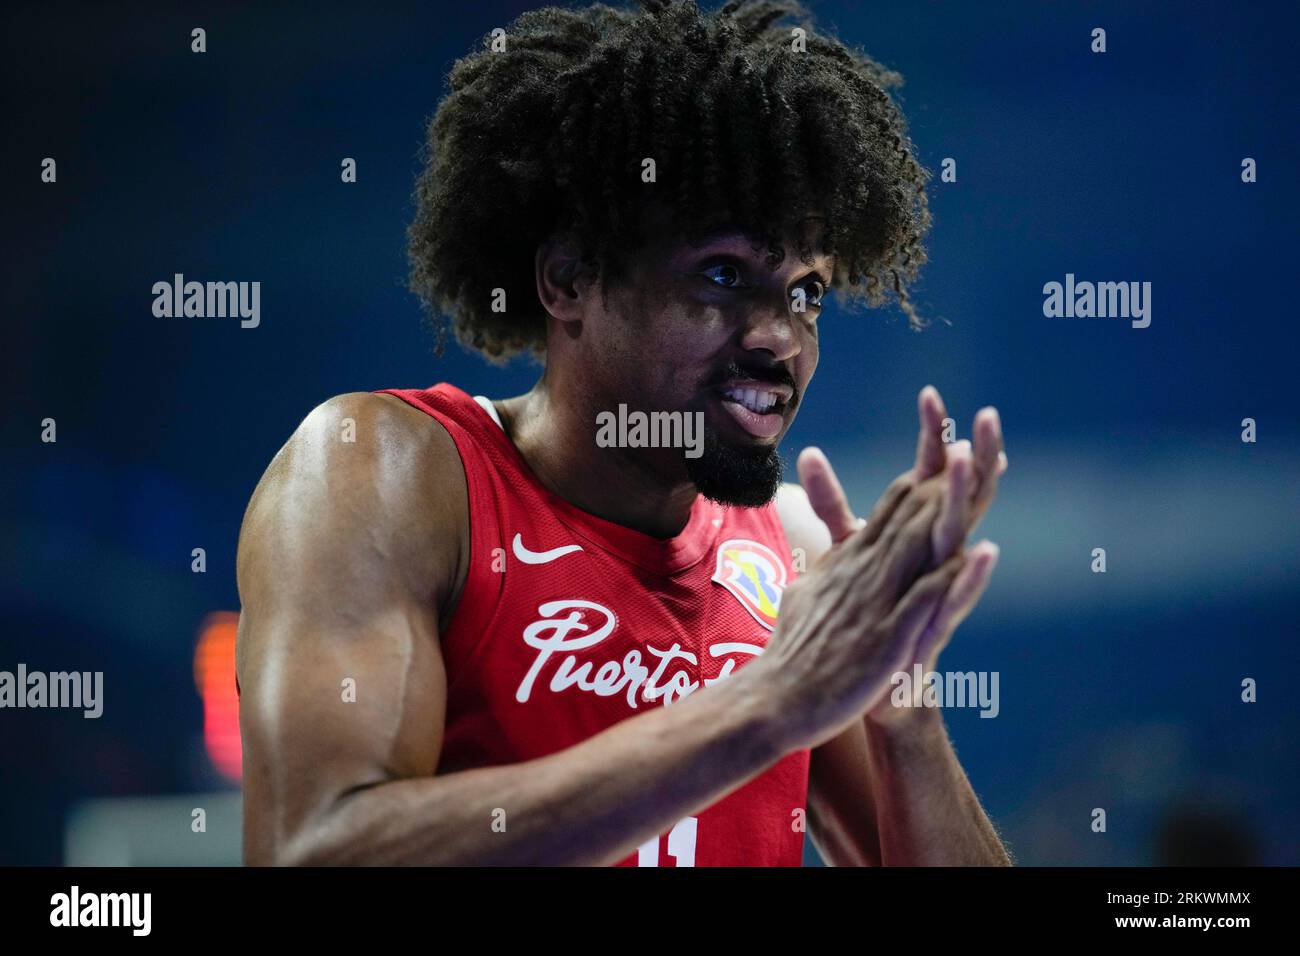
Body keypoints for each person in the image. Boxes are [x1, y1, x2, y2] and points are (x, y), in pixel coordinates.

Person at [235, 0, 1011, 866]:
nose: (780, 339)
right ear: (569, 279)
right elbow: (315, 851)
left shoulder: (794, 555)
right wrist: (766, 705)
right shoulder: (387, 472)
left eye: (805, 292)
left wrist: (903, 714)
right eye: (724, 276)